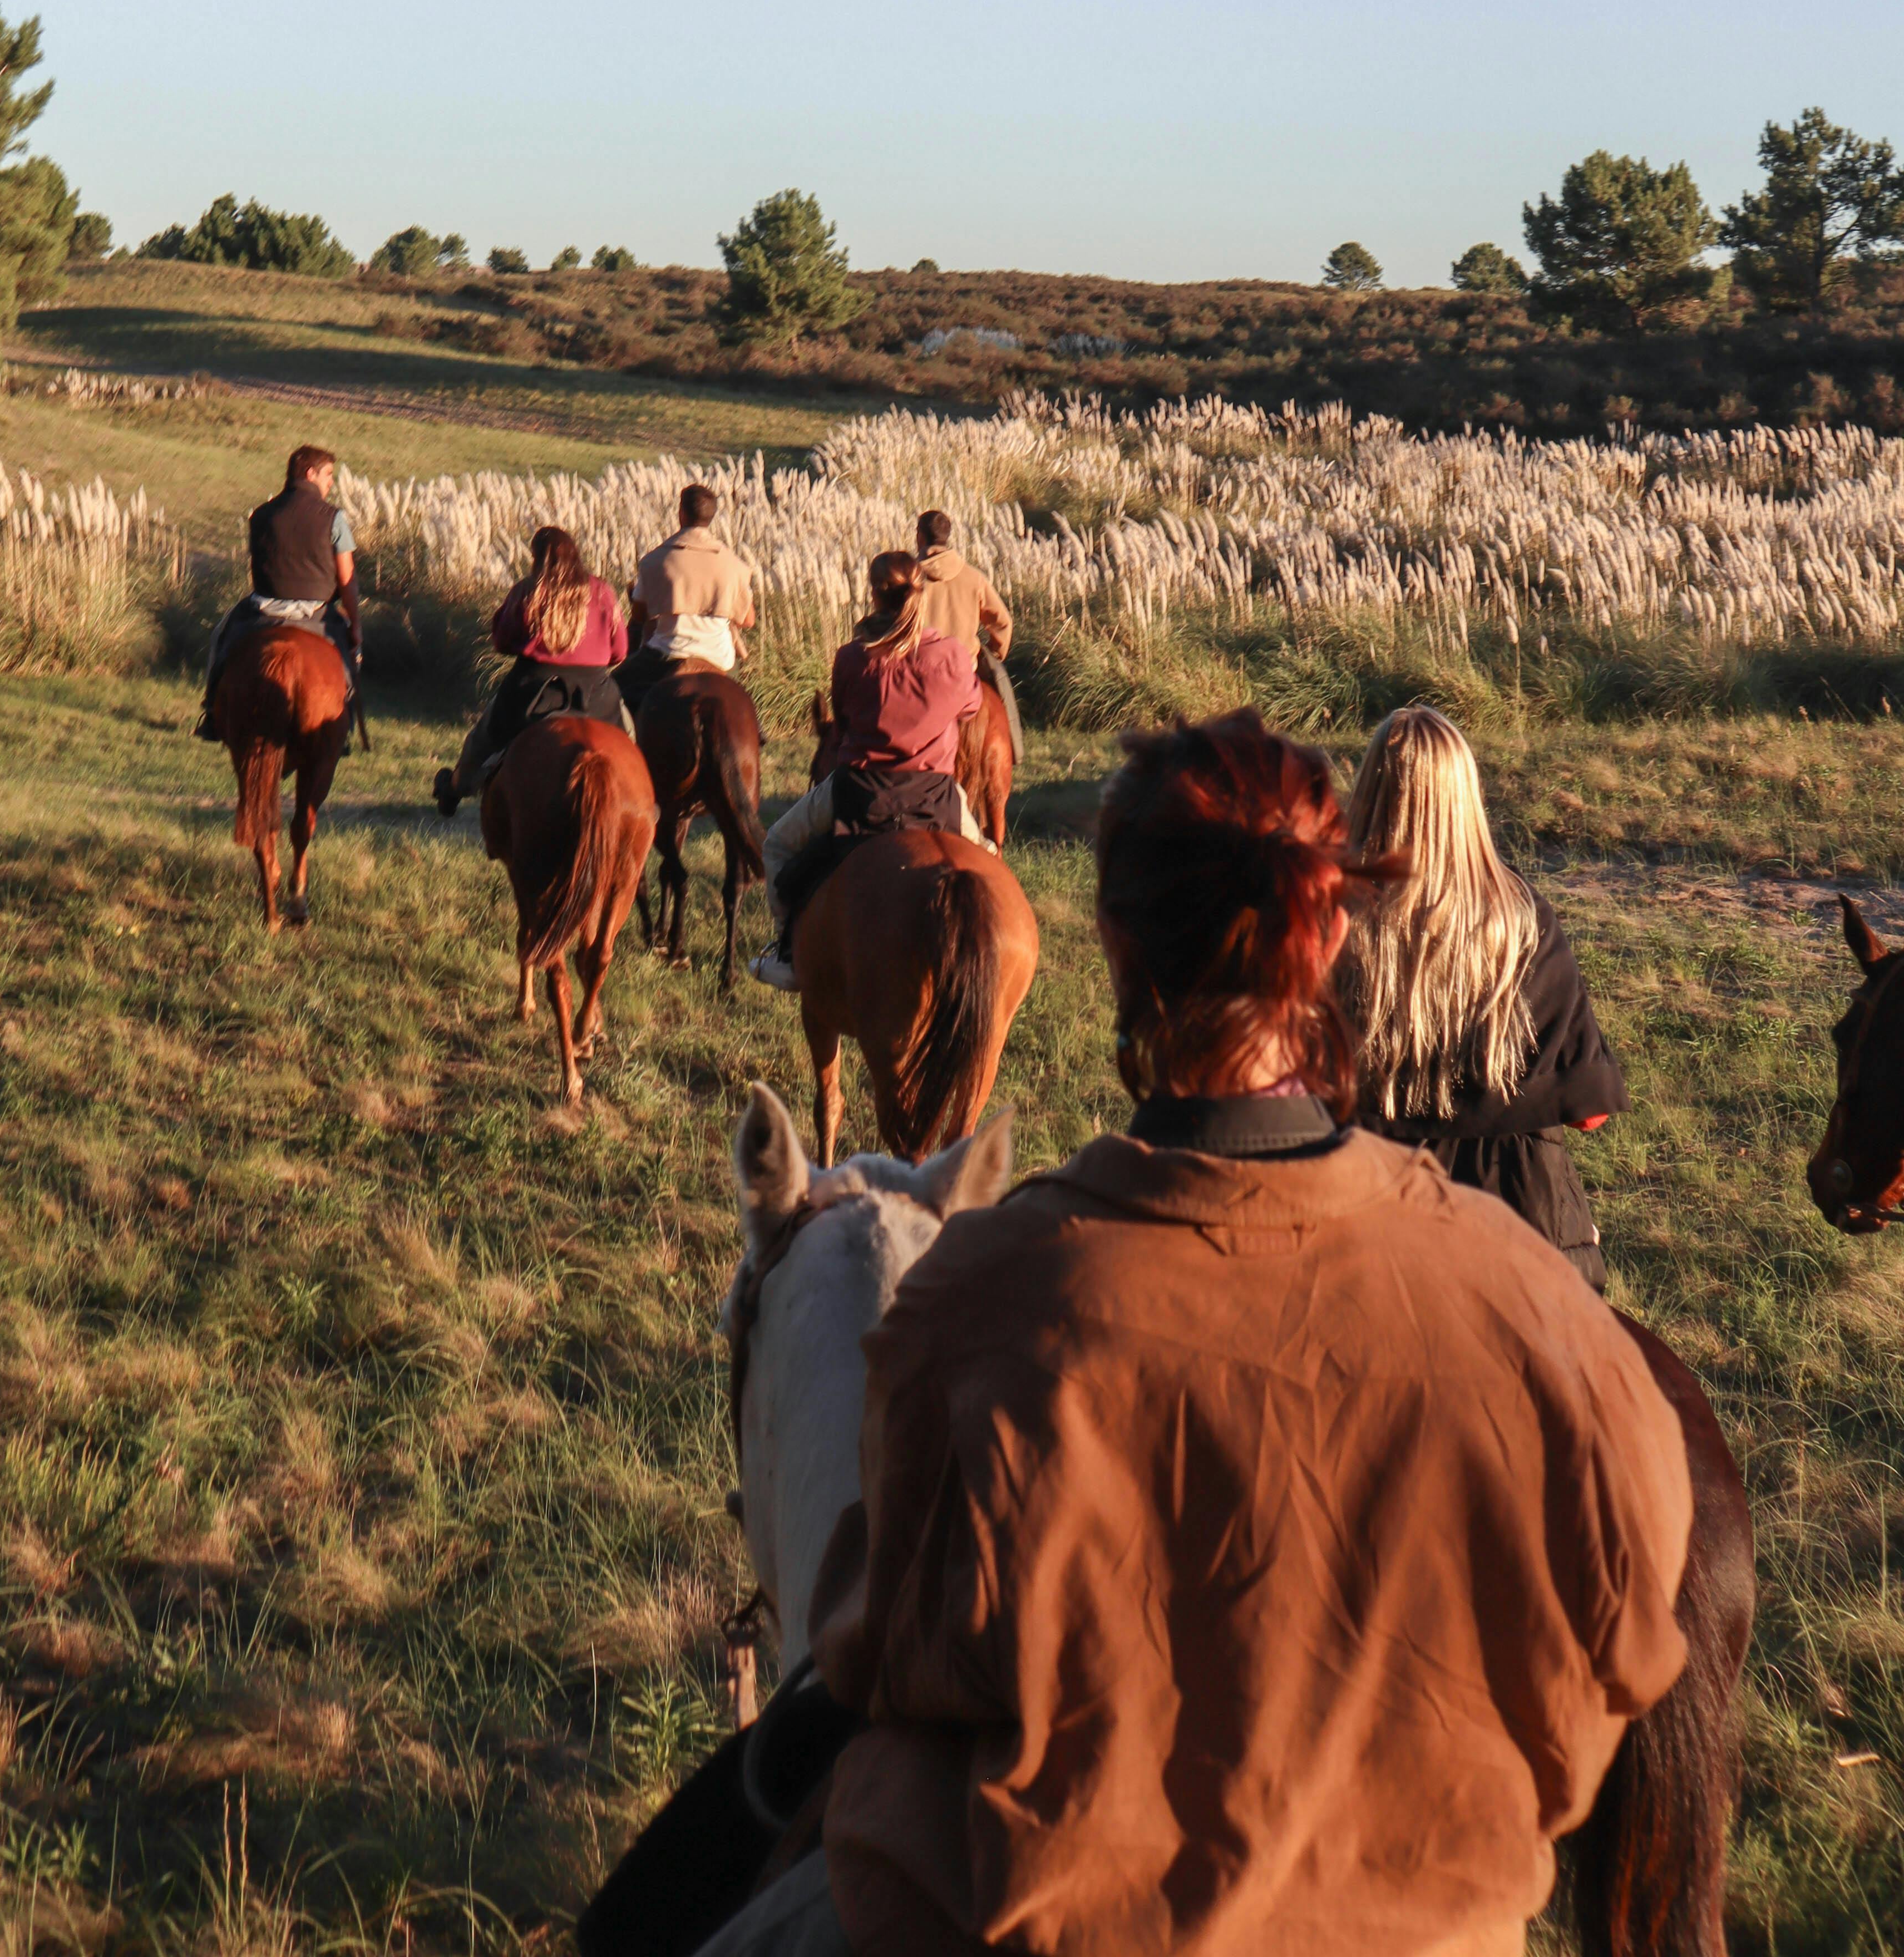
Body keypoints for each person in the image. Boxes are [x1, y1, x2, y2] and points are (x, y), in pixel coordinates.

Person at [697, 707, 1695, 1957]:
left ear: (1113, 947)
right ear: (1329, 930)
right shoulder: (1533, 1303)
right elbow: (1627, 1641)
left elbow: (874, 1649)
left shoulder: (977, 1300)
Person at [1339, 703, 1625, 1289]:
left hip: (1362, 1217)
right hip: (1518, 1225)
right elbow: (1589, 1115)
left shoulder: (1324, 921)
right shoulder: (1523, 921)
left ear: (1368, 790)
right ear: (1464, 797)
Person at [749, 553, 985, 992]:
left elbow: (843, 718)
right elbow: (971, 706)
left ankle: (787, 953)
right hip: (935, 795)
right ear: (922, 592)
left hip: (861, 792)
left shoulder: (852, 658)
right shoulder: (952, 654)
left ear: (874, 595)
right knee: (986, 858)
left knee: (778, 843)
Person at [431, 524, 628, 812]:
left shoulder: (527, 591)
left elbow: (502, 642)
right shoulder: (603, 592)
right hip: (595, 693)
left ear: (536, 558)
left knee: (484, 738)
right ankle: (649, 802)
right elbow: (620, 651)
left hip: (533, 689)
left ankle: (456, 788)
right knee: (630, 740)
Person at [195, 443, 358, 741]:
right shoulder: (334, 518)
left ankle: (211, 710)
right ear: (310, 474)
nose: (331, 483)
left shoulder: (260, 515)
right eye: (328, 475)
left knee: (220, 636)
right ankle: (344, 723)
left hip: (263, 608)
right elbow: (347, 579)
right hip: (317, 612)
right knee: (348, 657)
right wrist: (356, 624)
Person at [620, 482, 759, 717]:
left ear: (681, 514)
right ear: (711, 516)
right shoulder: (734, 565)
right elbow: (748, 620)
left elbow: (640, 616)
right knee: (741, 701)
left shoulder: (655, 561)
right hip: (719, 658)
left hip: (667, 654)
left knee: (614, 688)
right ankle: (757, 729)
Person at [911, 507, 1022, 767]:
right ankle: (1015, 751)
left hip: (920, 676)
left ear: (920, 538)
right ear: (947, 537)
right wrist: (994, 653)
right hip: (965, 672)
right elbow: (1003, 622)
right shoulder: (974, 577)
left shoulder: (911, 580)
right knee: (1002, 696)